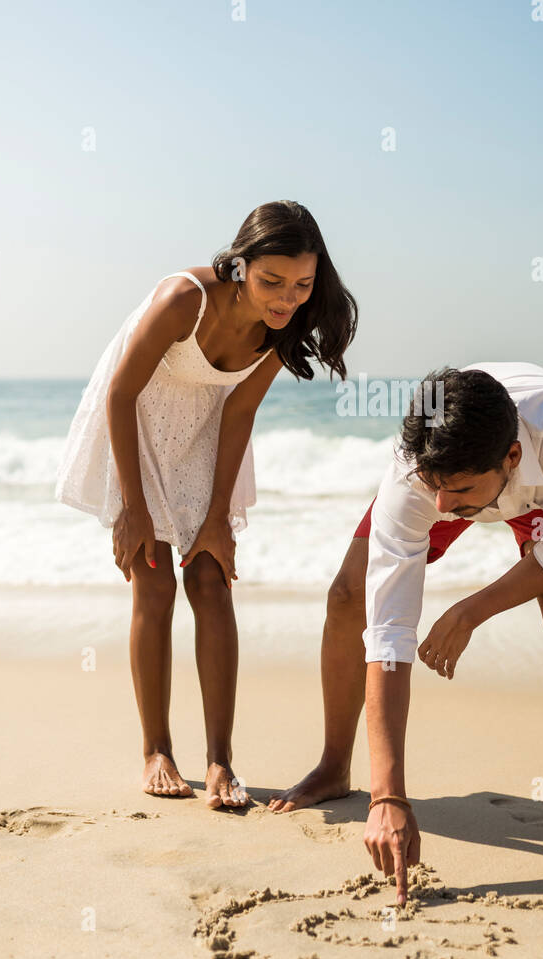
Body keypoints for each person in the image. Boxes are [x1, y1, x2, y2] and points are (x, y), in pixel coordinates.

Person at [270, 362, 543, 901]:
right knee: (348, 595)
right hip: (458, 467)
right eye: (433, 489)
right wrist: (388, 796)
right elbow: (388, 627)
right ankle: (334, 766)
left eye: (455, 492)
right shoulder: (420, 475)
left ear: (510, 458)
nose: (441, 509)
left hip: (541, 494)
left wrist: (469, 611)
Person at [56, 200, 356, 808]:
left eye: (303, 285)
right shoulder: (182, 299)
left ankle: (221, 760)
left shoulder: (286, 324)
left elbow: (239, 409)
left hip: (204, 438)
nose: (286, 298)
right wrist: (135, 511)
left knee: (214, 584)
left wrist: (218, 515)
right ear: (240, 264)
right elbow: (120, 393)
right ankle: (156, 750)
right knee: (155, 583)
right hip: (135, 429)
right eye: (272, 281)